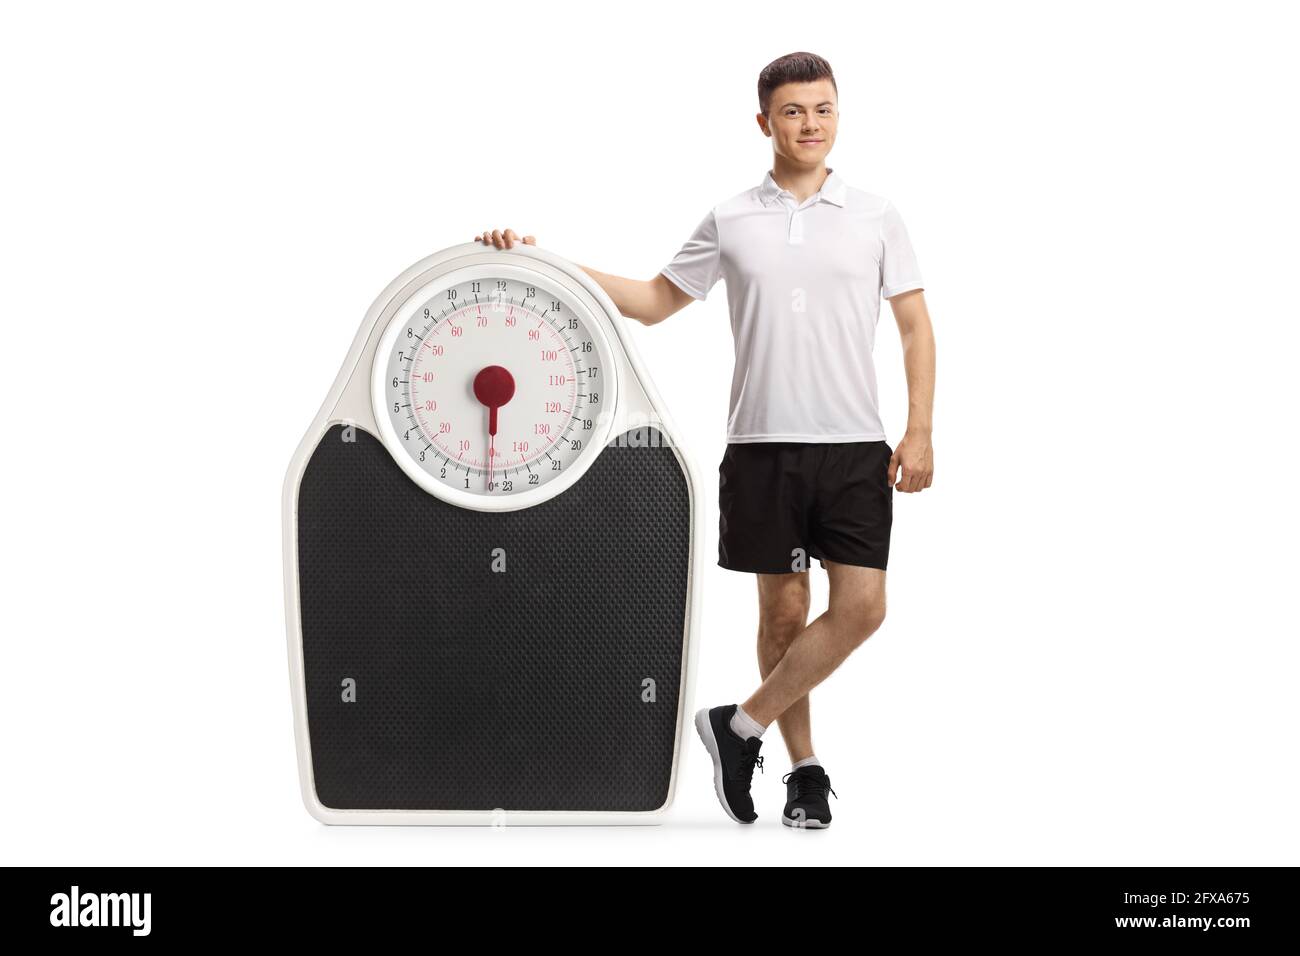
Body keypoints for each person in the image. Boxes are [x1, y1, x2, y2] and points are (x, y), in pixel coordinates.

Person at [475, 51, 936, 829]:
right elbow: (655, 301)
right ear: (765, 122)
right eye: (793, 112)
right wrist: (542, 260)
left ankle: (739, 725)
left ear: (838, 114)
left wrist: (920, 427)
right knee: (783, 616)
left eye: (823, 109)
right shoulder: (731, 217)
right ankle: (805, 771)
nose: (810, 125)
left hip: (854, 443)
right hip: (761, 446)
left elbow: (916, 325)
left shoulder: (876, 214)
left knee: (863, 608)